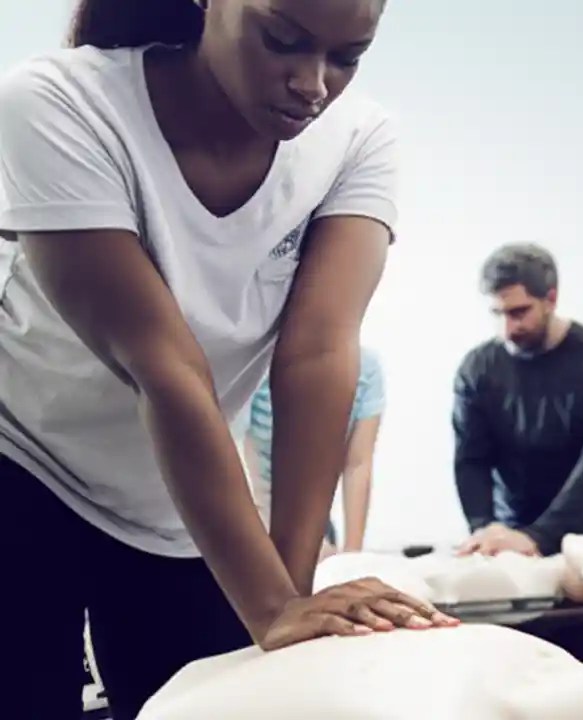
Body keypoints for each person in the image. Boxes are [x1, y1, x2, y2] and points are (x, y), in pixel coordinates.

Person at [0, 2, 454, 718]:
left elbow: (318, 353)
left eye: (347, 58)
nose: (313, 84)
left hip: (175, 501)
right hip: (24, 466)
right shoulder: (57, 101)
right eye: (283, 41)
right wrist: (272, 607)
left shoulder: (357, 138)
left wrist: (293, 600)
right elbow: (161, 362)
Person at [453, 243, 583, 558]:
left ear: (550, 299)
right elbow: (470, 459)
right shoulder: (477, 369)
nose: (507, 329)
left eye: (518, 312)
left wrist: (540, 537)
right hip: (511, 529)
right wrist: (483, 527)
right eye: (497, 314)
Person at [240, 345, 387, 554]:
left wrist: (351, 555)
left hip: (313, 522)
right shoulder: (256, 366)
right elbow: (242, 457)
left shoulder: (366, 368)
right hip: (256, 511)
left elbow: (358, 464)